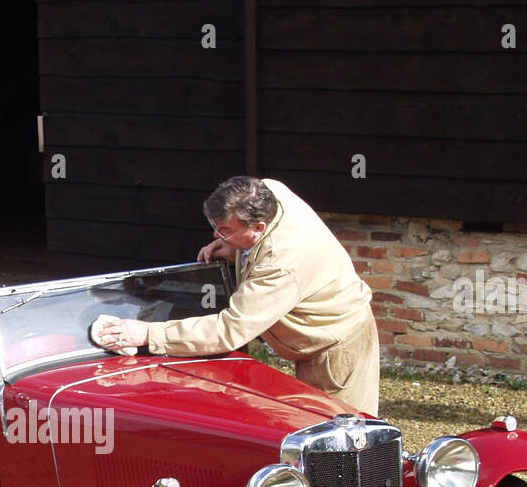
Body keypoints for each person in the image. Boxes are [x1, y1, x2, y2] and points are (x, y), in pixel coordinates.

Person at [92, 176, 380, 414]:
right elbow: (257, 238)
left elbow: (229, 330)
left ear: (258, 229)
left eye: (226, 231)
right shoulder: (268, 192)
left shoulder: (281, 263)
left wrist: (146, 334)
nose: (217, 237)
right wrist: (237, 246)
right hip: (317, 333)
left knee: (339, 439)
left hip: (336, 345)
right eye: (215, 228)